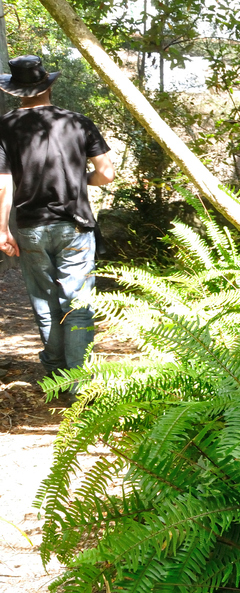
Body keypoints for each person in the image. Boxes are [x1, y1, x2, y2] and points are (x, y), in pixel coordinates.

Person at [0, 55, 115, 388]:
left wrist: (2, 229)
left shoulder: (4, 127)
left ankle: (55, 372)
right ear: (47, 86)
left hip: (30, 226)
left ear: (16, 91)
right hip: (76, 225)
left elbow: (3, 182)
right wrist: (82, 180)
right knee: (77, 304)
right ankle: (77, 383)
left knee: (45, 301)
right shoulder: (78, 122)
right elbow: (106, 173)